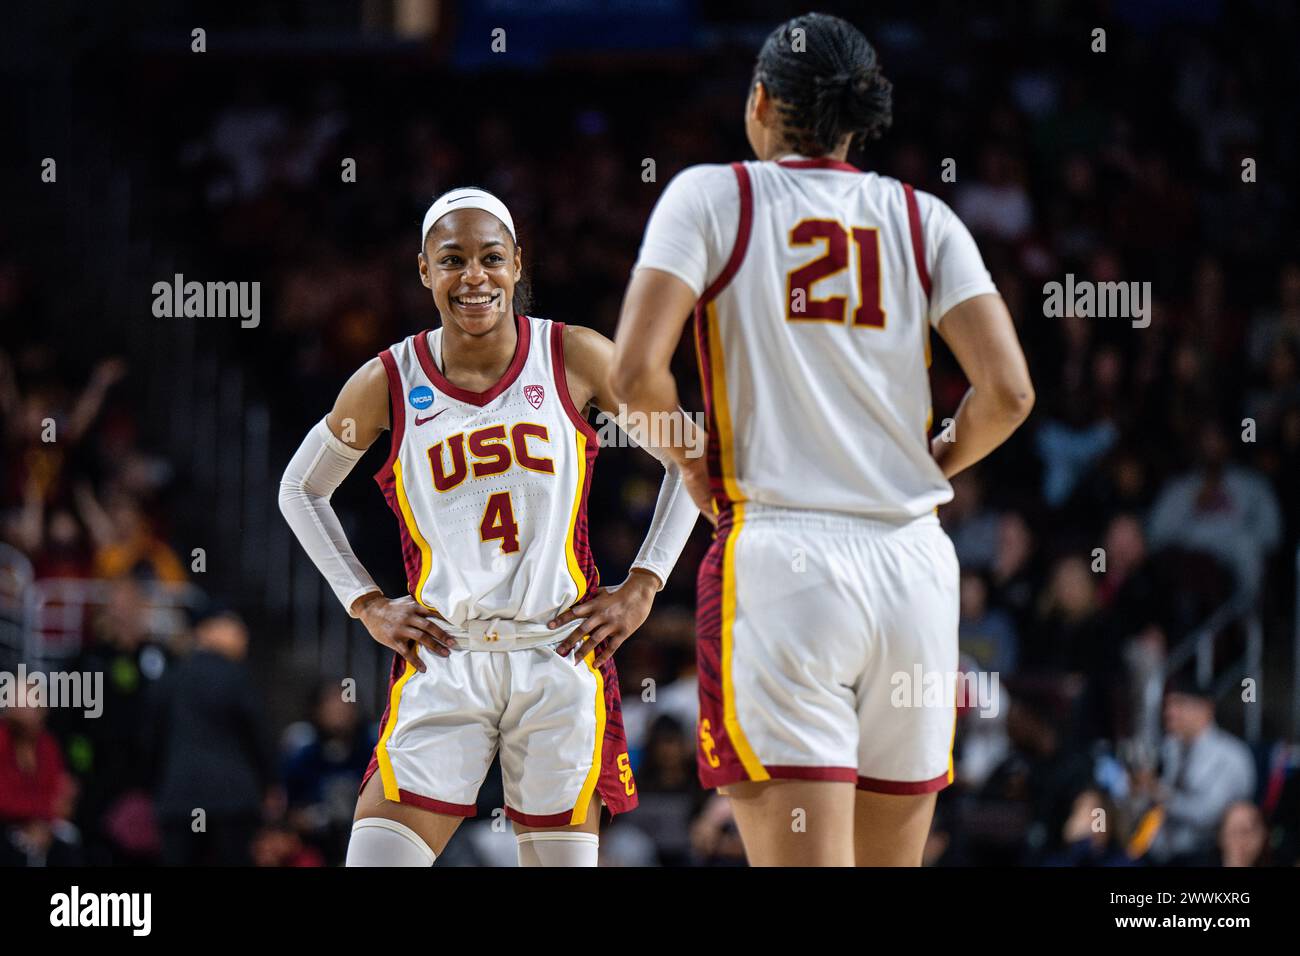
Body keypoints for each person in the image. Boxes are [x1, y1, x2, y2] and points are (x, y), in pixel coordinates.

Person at [610, 12, 1033, 865]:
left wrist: (686, 455)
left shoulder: (711, 195)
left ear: (760, 101)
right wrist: (938, 462)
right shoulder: (925, 217)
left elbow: (631, 376)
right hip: (913, 566)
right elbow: (1010, 392)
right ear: (855, 122)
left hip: (785, 565)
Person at [278, 187, 700, 867]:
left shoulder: (575, 356)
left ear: (516, 265)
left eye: (490, 258)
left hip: (558, 653)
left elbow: (689, 455)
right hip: (446, 656)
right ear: (424, 271)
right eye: (452, 260)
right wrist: (366, 604)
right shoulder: (388, 379)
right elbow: (300, 489)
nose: (473, 276)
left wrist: (644, 583)